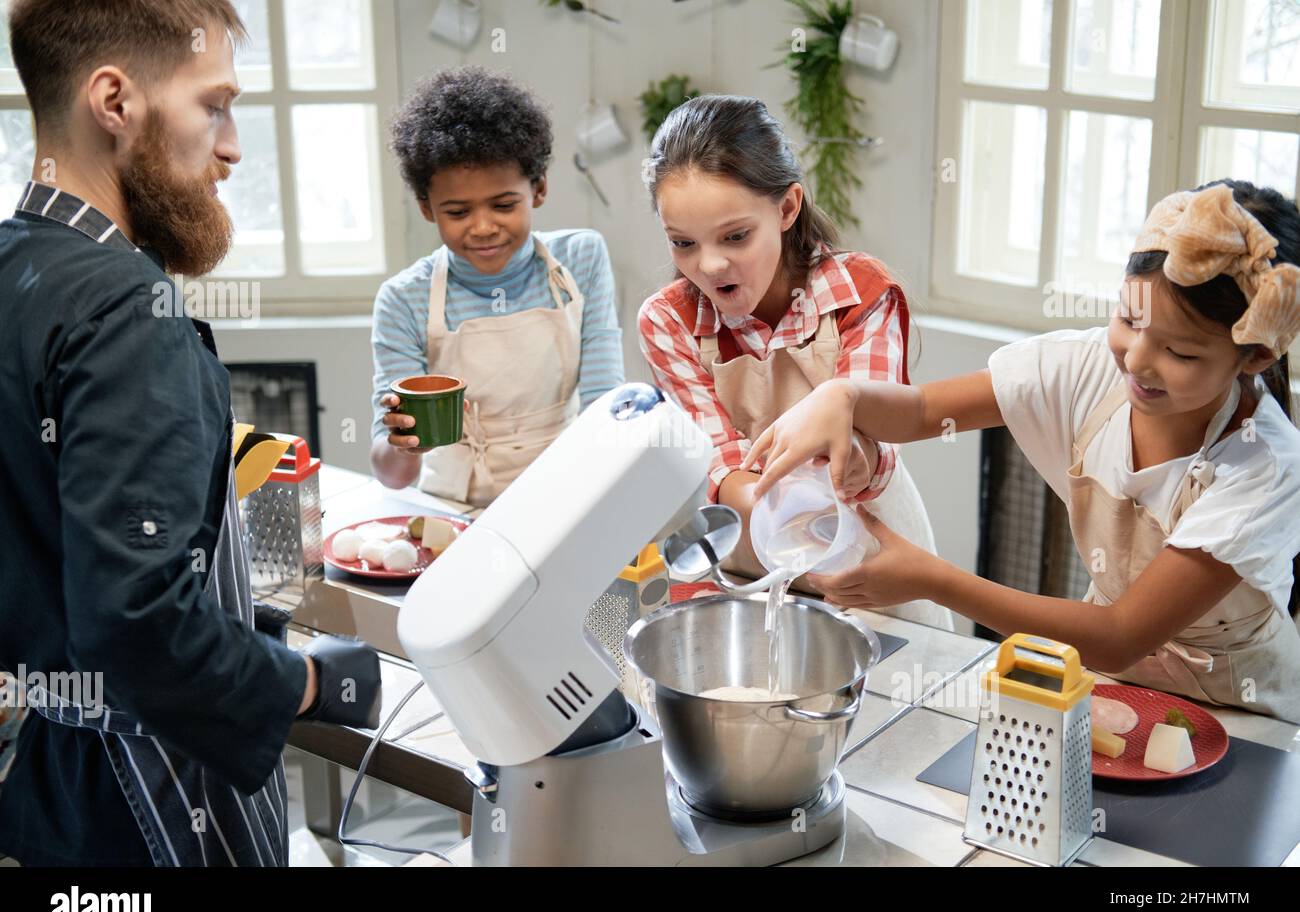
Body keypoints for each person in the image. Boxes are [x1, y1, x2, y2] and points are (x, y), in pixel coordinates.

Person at [0, 0, 380, 866]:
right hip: (148, 801)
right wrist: (316, 682)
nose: (234, 144)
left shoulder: (12, 263)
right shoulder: (129, 311)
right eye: (213, 106)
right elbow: (137, 622)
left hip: (48, 785)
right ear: (114, 101)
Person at [747, 181, 1300, 722]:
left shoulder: (1265, 469)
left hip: (1237, 708)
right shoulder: (1087, 369)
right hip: (1110, 684)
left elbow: (1121, 635)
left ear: (1252, 357)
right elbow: (920, 413)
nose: (1136, 360)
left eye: (1178, 352)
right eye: (1129, 320)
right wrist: (844, 397)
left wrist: (930, 578)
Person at [637, 95, 950, 628]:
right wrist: (779, 519)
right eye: (683, 243)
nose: (709, 265)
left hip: (870, 550)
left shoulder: (860, 294)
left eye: (736, 236)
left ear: (786, 208)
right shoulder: (668, 322)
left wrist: (847, 462)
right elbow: (721, 464)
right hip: (750, 549)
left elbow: (873, 444)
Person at [371, 66, 624, 507]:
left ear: (539, 189)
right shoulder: (403, 299)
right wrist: (400, 445)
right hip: (454, 513)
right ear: (427, 208)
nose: (484, 227)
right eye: (457, 212)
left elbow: (604, 406)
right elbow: (393, 477)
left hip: (564, 497)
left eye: (504, 205)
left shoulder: (581, 259)